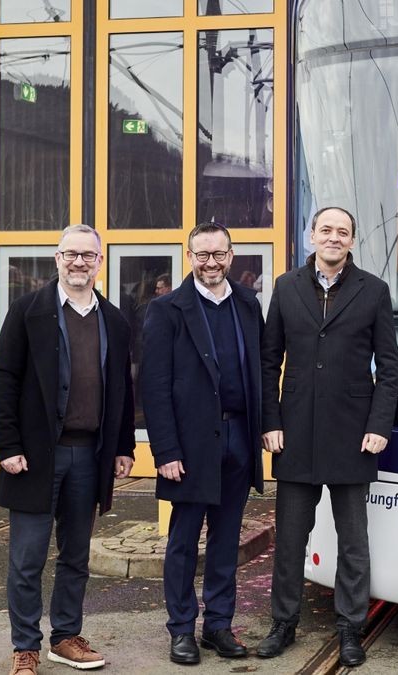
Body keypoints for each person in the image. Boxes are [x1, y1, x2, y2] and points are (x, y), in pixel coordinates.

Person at [0, 224, 136, 675]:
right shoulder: (27, 311)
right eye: (70, 254)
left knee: (76, 556)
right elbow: (4, 379)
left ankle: (66, 636)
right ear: (57, 258)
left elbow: (122, 391)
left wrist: (123, 446)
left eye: (87, 256)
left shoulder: (113, 319)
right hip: (35, 458)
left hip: (89, 456)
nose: (79, 263)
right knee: (27, 559)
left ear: (100, 262)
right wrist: (6, 445)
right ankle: (25, 646)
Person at [257, 206, 398, 667]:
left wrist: (379, 427)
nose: (333, 237)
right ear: (312, 236)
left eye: (343, 231)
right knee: (291, 538)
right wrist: (270, 421)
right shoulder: (285, 287)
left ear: (352, 241)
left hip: (353, 434)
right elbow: (267, 361)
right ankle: (283, 623)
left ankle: (351, 628)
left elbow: (390, 368)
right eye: (326, 230)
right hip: (294, 432)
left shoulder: (374, 291)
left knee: (353, 540)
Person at [140, 223, 266, 665]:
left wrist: (263, 429)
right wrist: (166, 452)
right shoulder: (167, 309)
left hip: (239, 440)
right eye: (202, 254)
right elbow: (153, 389)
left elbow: (261, 374)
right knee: (182, 542)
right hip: (189, 448)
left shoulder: (249, 305)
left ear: (232, 256)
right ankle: (181, 630)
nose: (211, 262)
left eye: (219, 254)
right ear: (188, 255)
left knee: (226, 539)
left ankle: (218, 626)